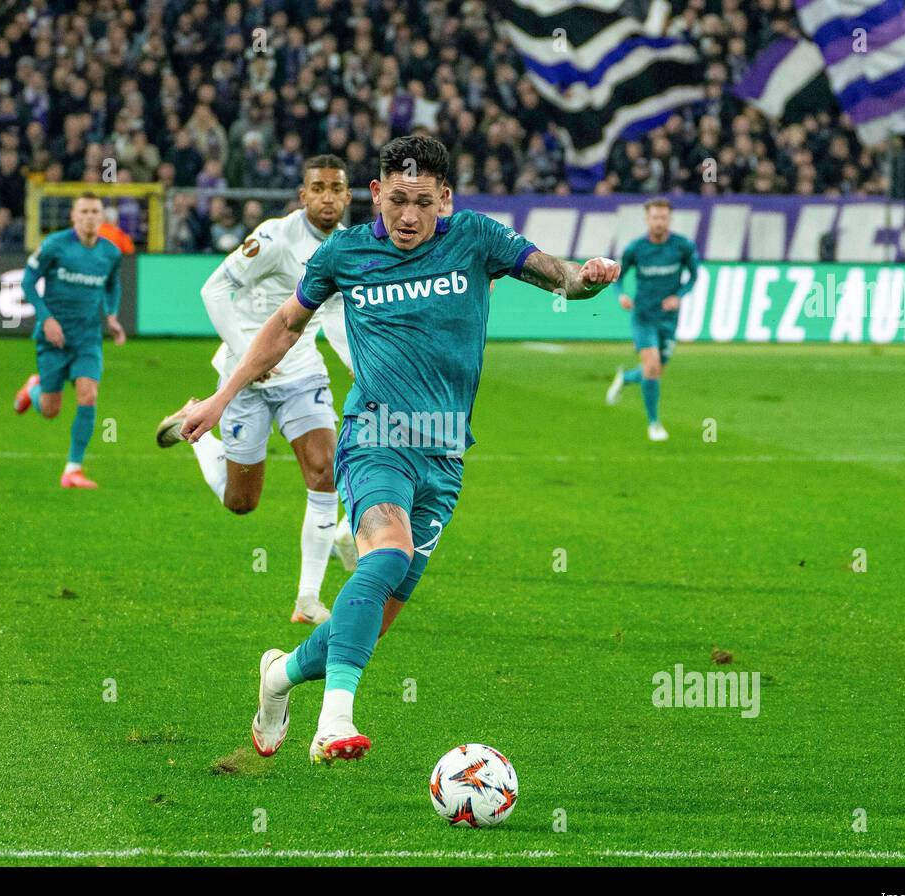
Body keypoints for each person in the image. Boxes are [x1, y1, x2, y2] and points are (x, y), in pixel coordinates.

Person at [177, 135, 620, 764]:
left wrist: (590, 278)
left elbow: (563, 279)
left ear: (445, 198)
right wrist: (220, 400)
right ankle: (334, 723)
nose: (407, 217)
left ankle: (277, 677)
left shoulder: (476, 239)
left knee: (373, 618)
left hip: (443, 456)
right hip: (374, 438)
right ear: (376, 193)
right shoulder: (346, 251)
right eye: (395, 201)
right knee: (384, 558)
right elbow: (282, 327)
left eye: (421, 202)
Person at [156, 155, 359, 626]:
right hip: (245, 377)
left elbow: (332, 314)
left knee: (324, 471)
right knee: (241, 502)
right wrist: (249, 353)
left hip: (303, 372)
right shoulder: (275, 238)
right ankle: (199, 431)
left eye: (336, 188)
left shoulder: (349, 246)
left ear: (349, 197)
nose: (327, 196)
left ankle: (307, 600)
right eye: (318, 188)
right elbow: (212, 290)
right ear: (303, 195)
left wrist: (358, 366)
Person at [12, 192, 125, 488]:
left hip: (88, 339)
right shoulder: (54, 245)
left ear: (102, 217)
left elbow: (113, 285)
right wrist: (46, 319)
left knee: (88, 394)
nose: (90, 217)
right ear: (73, 216)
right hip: (54, 339)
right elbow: (27, 281)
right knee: (50, 410)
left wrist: (111, 316)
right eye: (84, 211)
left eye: (95, 211)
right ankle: (33, 388)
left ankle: (73, 469)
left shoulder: (110, 253)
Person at [605, 198, 699, 441]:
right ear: (647, 219)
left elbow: (693, 277)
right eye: (655, 217)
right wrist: (621, 295)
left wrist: (679, 296)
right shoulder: (635, 248)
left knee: (655, 371)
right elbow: (619, 277)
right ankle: (654, 423)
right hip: (643, 316)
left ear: (670, 219)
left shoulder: (683, 247)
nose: (659, 222)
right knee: (652, 367)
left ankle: (626, 377)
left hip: (668, 319)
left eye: (664, 217)